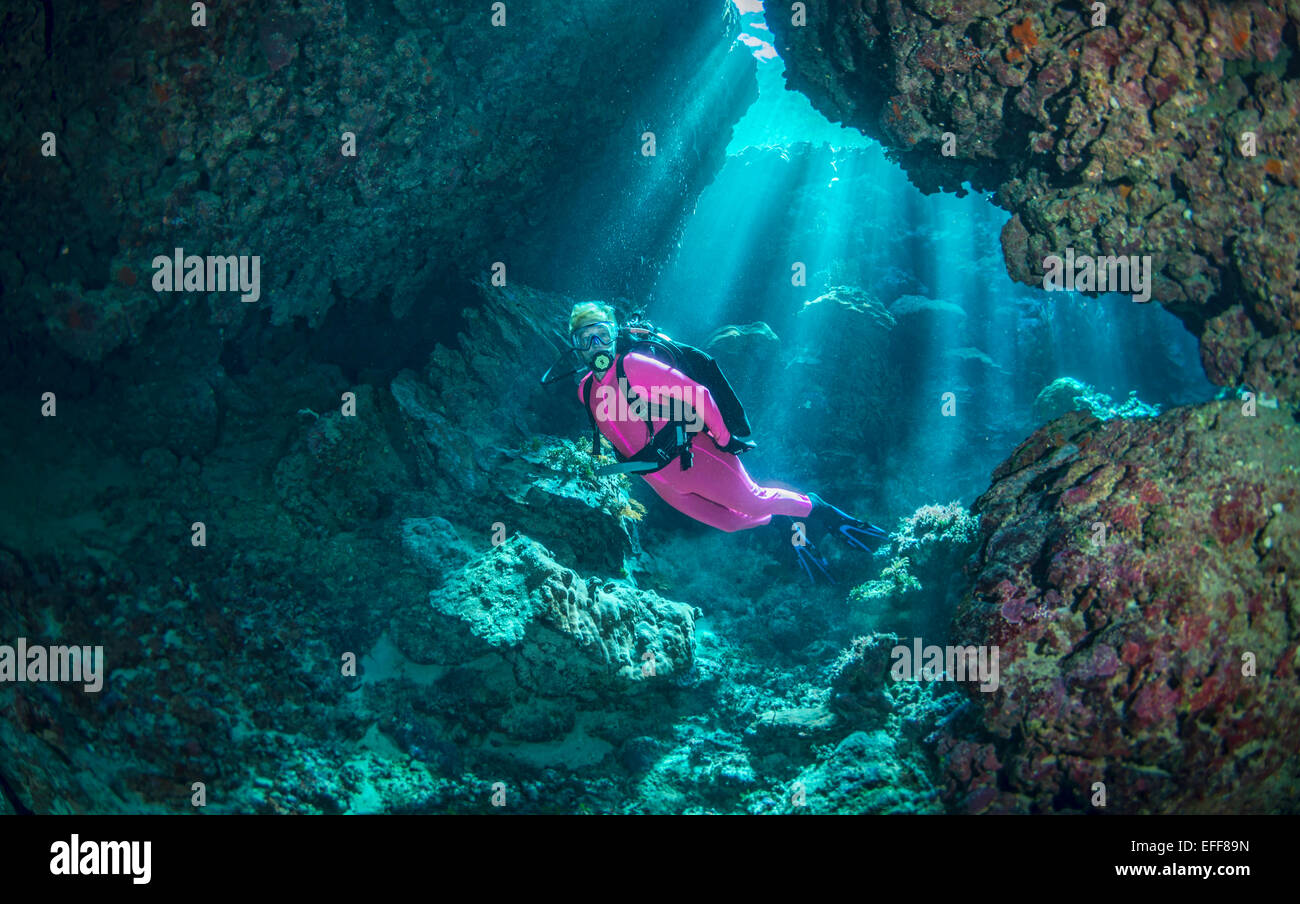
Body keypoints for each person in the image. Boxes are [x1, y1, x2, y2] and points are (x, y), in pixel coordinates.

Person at [567, 301, 888, 583]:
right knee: (731, 522)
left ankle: (823, 512)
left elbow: (699, 395)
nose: (596, 345)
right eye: (585, 339)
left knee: (755, 500)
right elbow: (608, 438)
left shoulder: (632, 365)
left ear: (614, 335)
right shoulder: (585, 390)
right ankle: (785, 521)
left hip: (696, 456)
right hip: (660, 482)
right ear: (577, 347)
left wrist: (723, 439)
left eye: (602, 335)